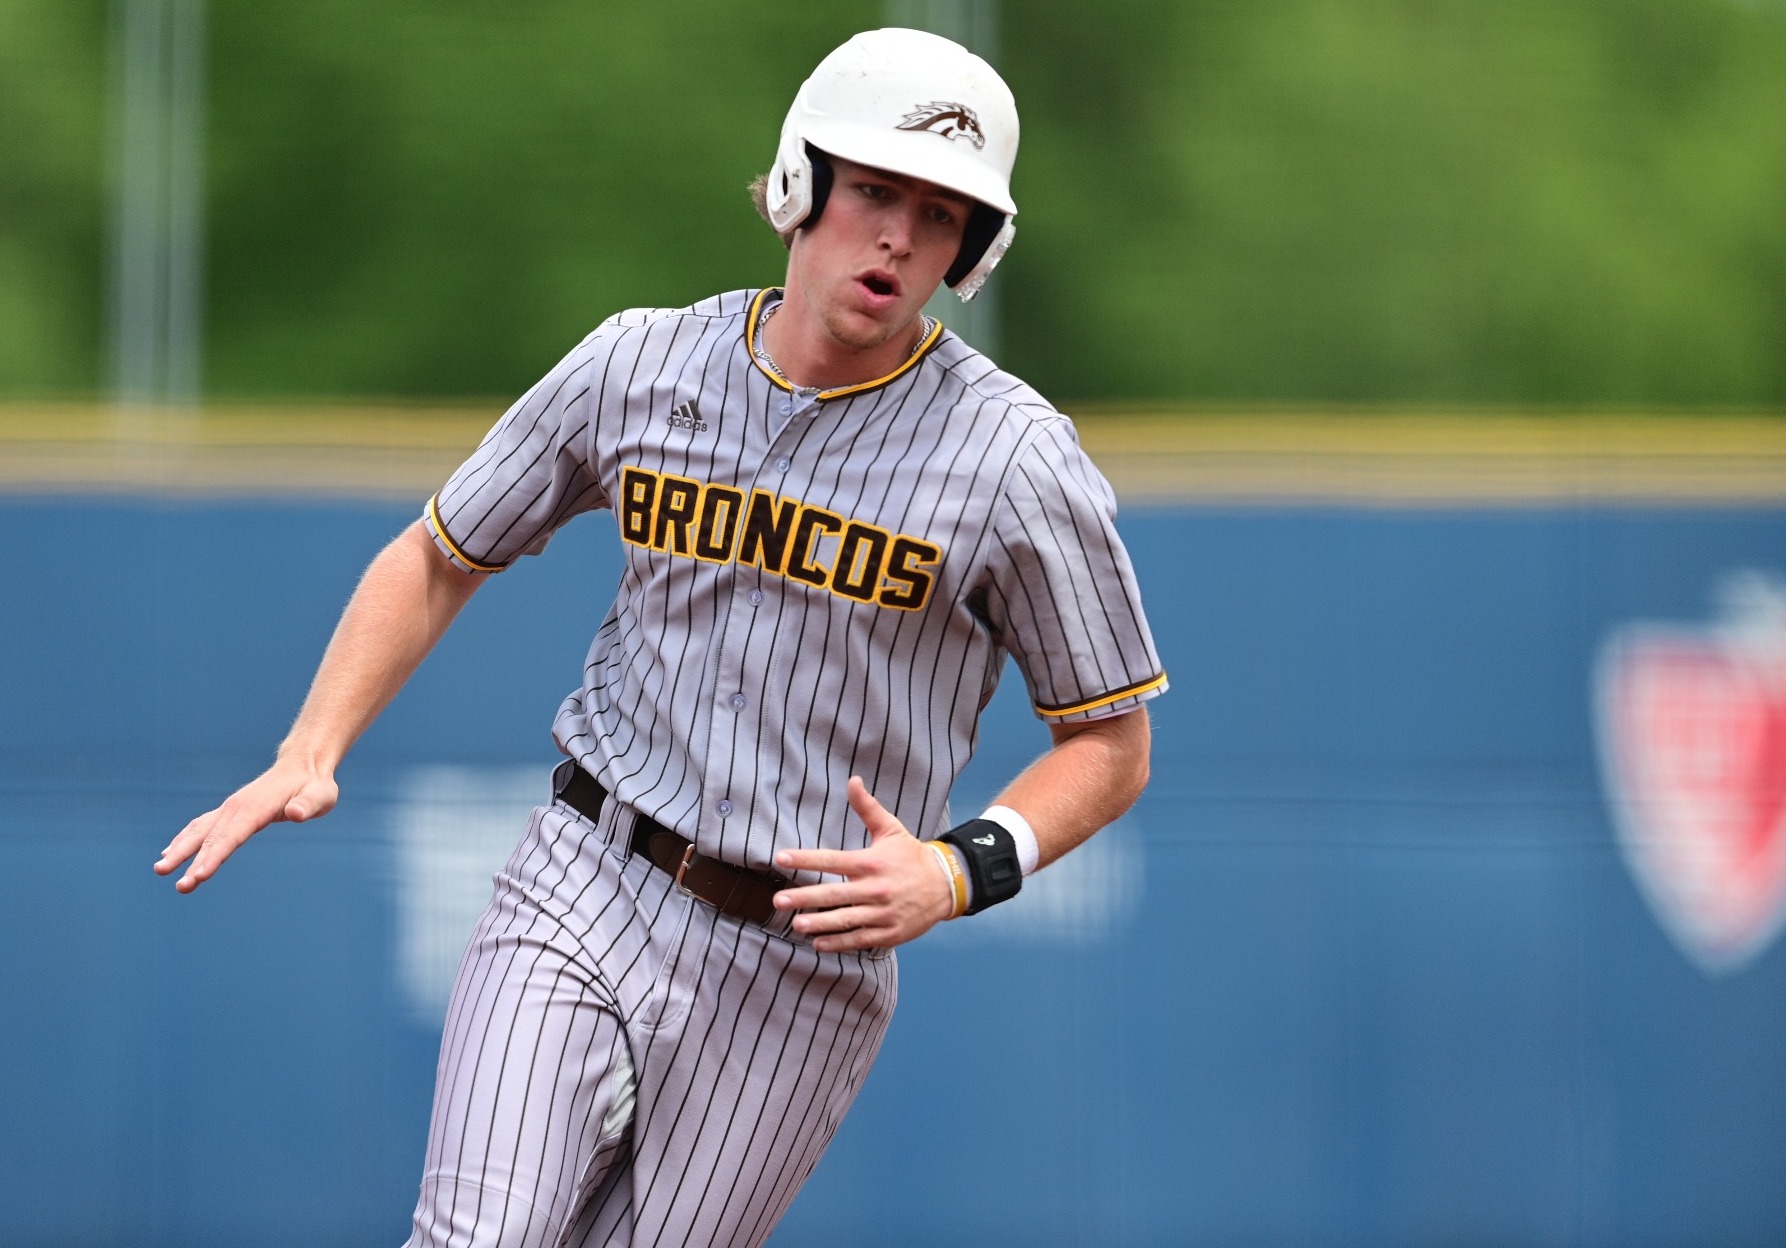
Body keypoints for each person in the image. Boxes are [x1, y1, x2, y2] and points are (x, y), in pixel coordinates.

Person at [156, 27, 1165, 1248]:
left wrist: (960, 869)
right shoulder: (639, 363)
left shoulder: (1011, 457)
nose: (899, 236)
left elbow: (1109, 743)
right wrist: (312, 746)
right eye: (875, 191)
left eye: (943, 214)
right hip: (590, 875)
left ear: (971, 249)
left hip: (801, 968)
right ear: (801, 186)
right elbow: (438, 553)